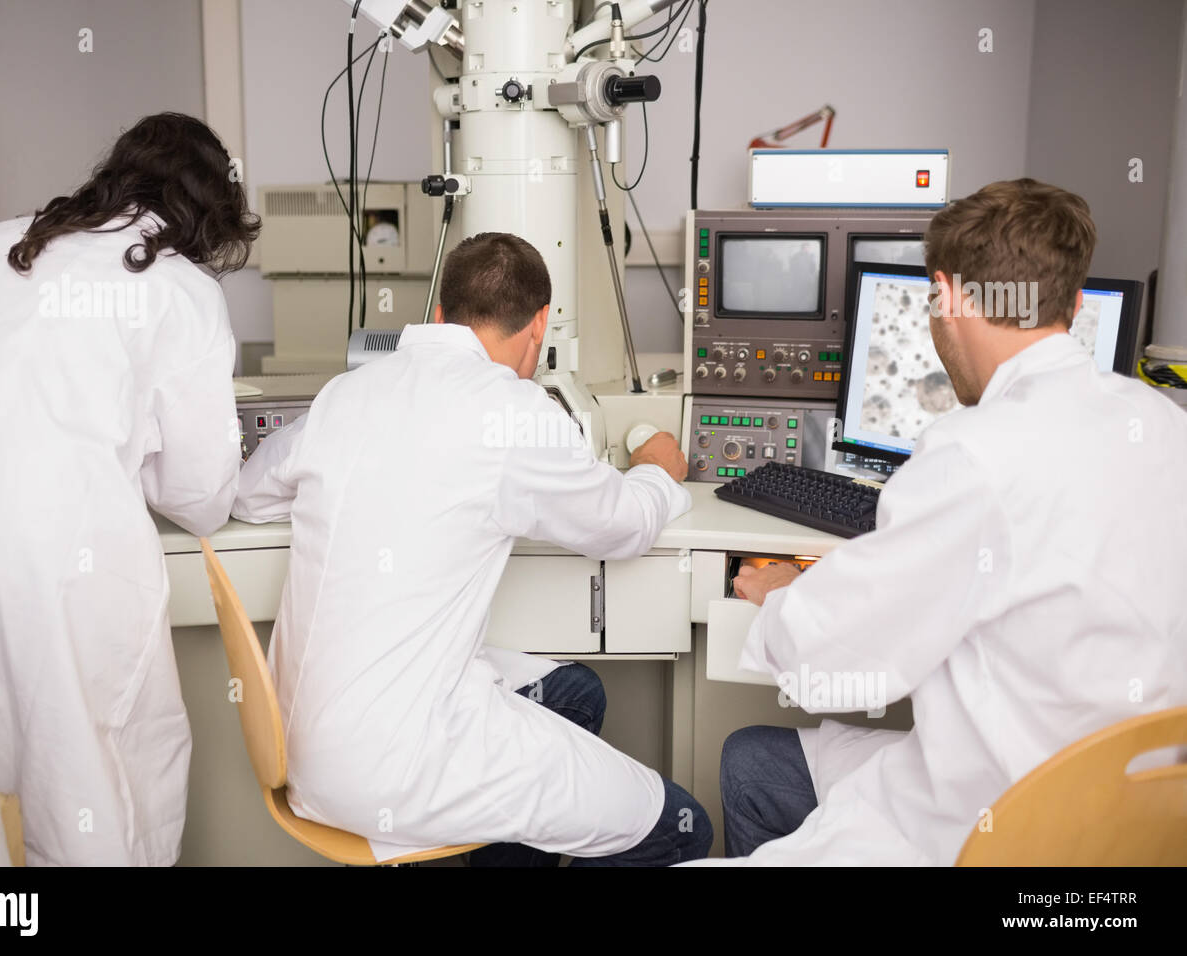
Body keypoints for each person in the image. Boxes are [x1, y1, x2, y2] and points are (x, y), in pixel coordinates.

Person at [715, 178, 1187, 865]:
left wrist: (780, 594)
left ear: (947, 297)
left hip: (1003, 823)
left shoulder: (974, 452)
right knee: (755, 762)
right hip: (1130, 821)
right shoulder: (1166, 426)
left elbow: (840, 660)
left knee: (755, 765)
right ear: (1076, 303)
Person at [233, 232, 712, 865]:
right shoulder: (514, 412)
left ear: (439, 313)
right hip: (398, 767)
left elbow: (247, 497)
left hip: (304, 748)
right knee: (684, 828)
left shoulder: (346, 394)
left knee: (576, 694)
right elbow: (621, 527)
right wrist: (655, 469)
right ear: (540, 324)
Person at [0, 112, 259, 865]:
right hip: (48, 560)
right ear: (208, 210)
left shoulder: (5, 244)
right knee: (94, 782)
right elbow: (200, 497)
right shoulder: (180, 289)